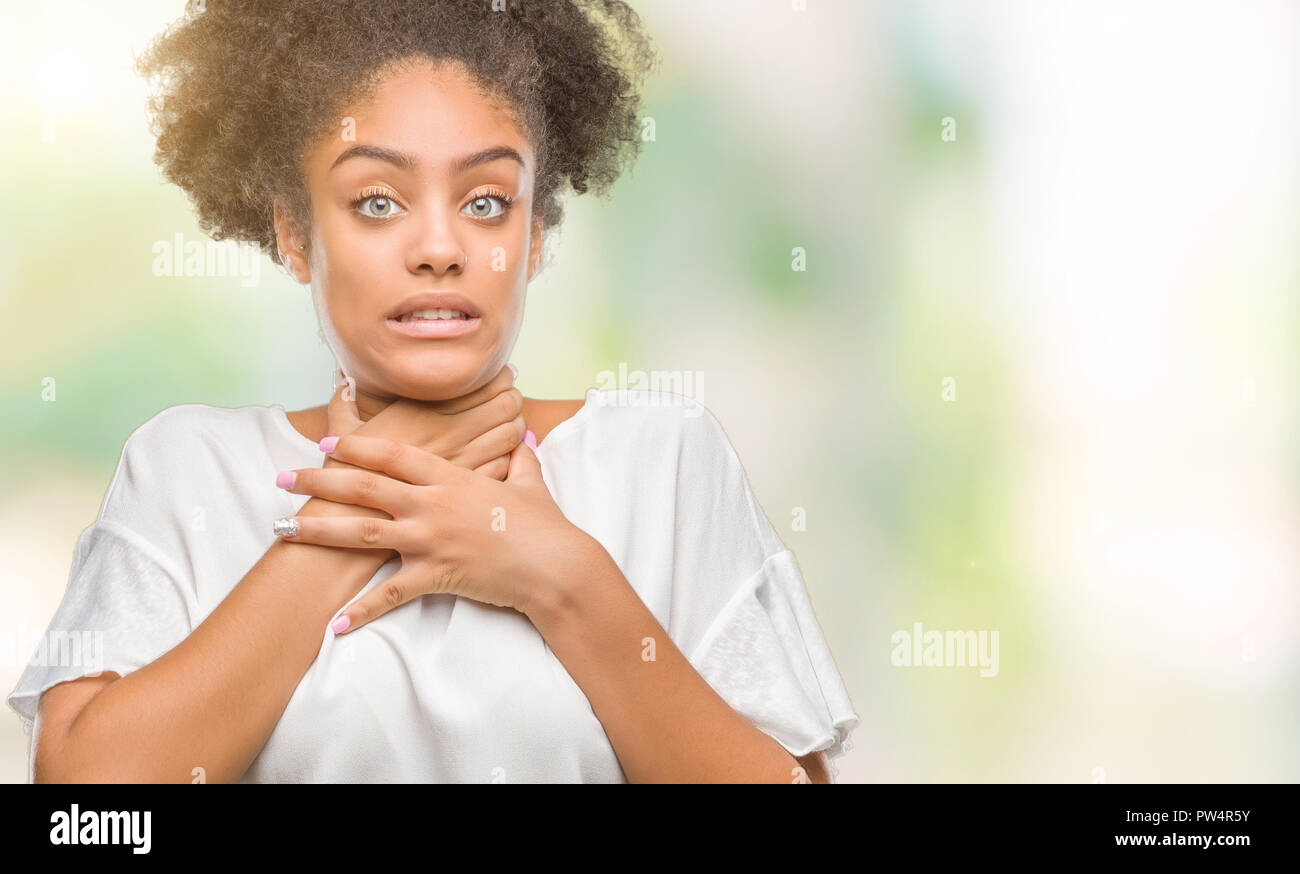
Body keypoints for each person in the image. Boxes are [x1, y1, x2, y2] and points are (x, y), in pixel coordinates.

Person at [7, 0, 858, 783]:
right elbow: (86, 812)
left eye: (488, 201)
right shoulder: (189, 470)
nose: (441, 248)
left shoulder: (662, 463)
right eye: (378, 202)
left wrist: (558, 574)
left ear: (532, 239)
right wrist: (368, 509)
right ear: (295, 233)